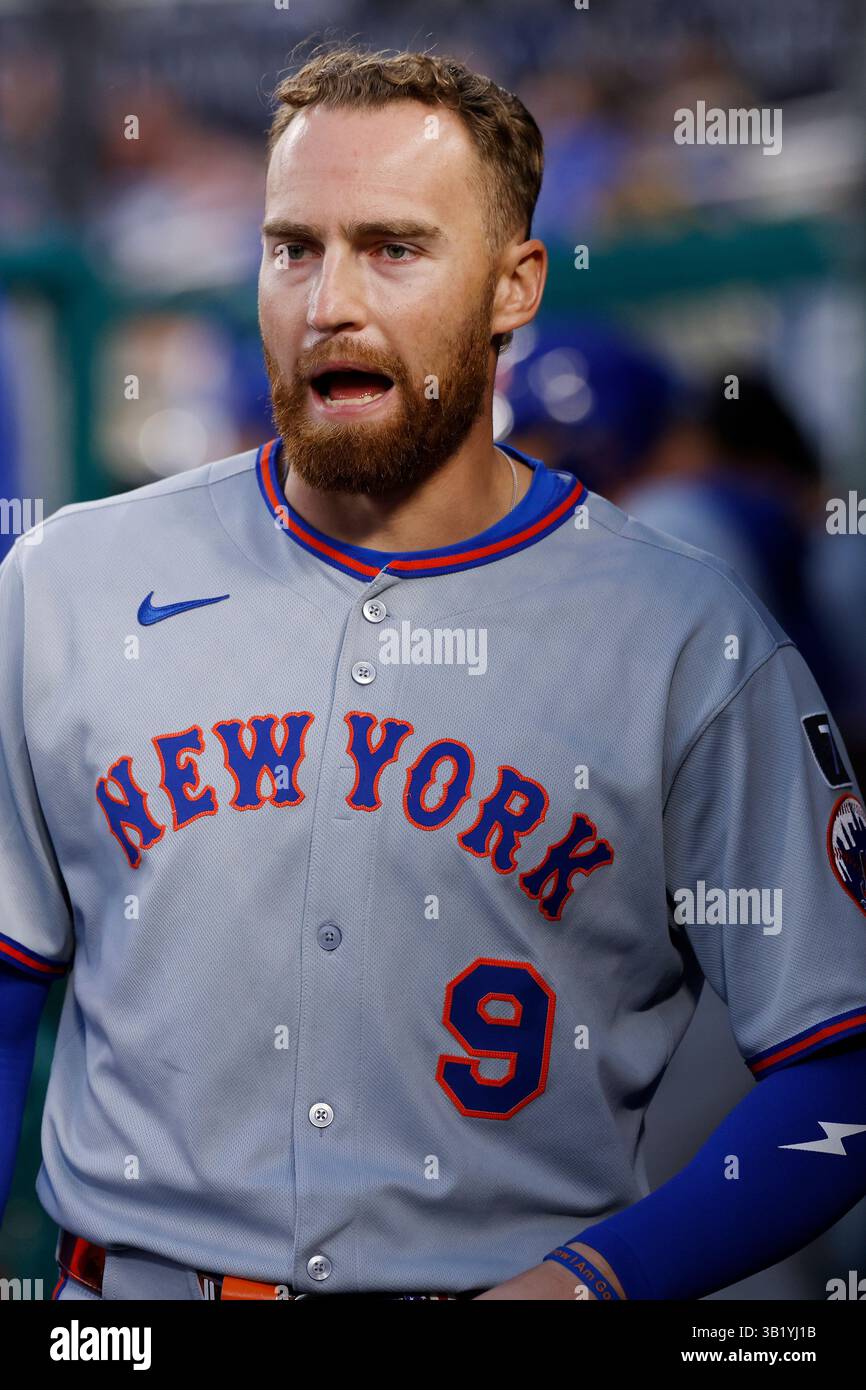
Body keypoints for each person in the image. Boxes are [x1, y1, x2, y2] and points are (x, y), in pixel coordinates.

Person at [1, 44, 865, 1303]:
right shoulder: (66, 583)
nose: (327, 302)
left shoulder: (683, 637)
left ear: (514, 286)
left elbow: (837, 1058)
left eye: (392, 248)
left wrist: (592, 1286)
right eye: (292, 247)